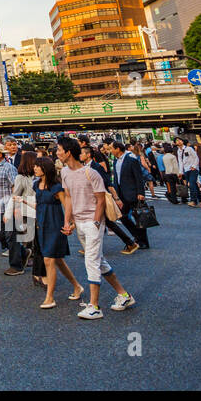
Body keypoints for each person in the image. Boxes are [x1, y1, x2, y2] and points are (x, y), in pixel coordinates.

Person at [59, 136, 135, 319]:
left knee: (91, 261)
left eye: (59, 150)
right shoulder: (64, 173)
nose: (57, 153)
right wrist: (67, 221)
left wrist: (95, 221)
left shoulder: (91, 172)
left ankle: (94, 306)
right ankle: (124, 295)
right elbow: (68, 197)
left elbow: (101, 199)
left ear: (68, 152)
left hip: (93, 222)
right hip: (79, 223)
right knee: (98, 260)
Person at [33, 155, 83, 309]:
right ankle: (77, 286)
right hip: (41, 225)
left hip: (55, 226)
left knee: (49, 260)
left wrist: (71, 223)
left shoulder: (56, 187)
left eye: (37, 166)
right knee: (58, 260)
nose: (34, 168)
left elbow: (67, 205)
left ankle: (50, 297)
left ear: (45, 169)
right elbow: (38, 205)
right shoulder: (36, 185)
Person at [110, 141, 149, 250]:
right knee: (122, 216)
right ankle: (137, 236)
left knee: (139, 217)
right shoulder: (115, 160)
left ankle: (143, 241)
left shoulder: (131, 158)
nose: (111, 151)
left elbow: (138, 176)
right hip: (121, 193)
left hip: (133, 192)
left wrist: (141, 192)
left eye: (112, 148)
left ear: (118, 149)